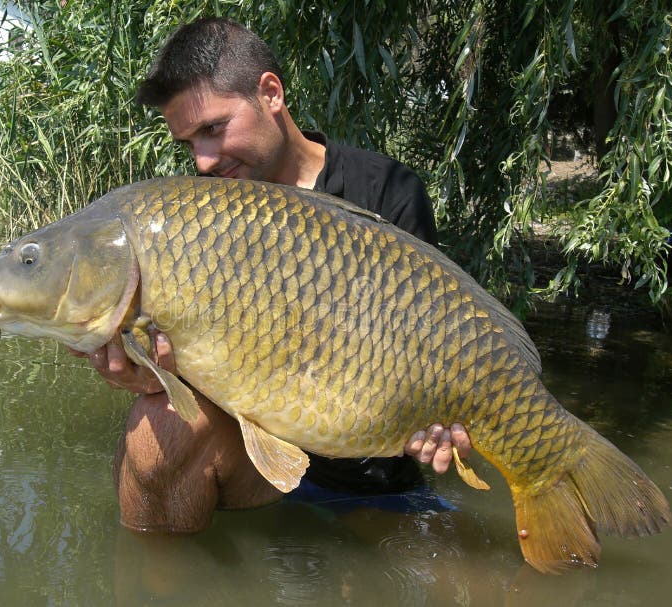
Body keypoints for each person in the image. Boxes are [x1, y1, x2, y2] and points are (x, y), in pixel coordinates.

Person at [75, 17, 473, 532]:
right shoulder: (196, 218)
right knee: (155, 435)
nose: (203, 160)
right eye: (189, 143)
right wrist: (150, 377)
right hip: (251, 467)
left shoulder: (388, 193)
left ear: (271, 93)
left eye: (213, 129)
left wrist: (443, 421)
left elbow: (435, 347)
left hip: (364, 473)